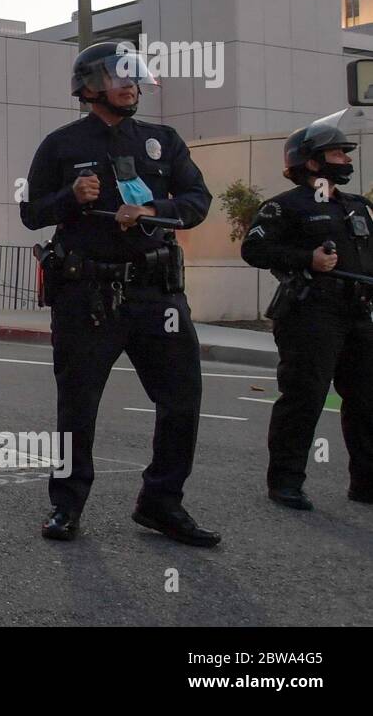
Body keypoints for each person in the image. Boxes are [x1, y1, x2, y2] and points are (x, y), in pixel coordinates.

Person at [20, 41, 220, 547]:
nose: (130, 84)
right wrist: (71, 198)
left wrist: (152, 209)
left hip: (157, 292)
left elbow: (197, 201)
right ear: (88, 87)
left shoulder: (162, 140)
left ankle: (162, 503)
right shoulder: (60, 144)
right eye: (117, 76)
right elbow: (31, 212)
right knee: (78, 405)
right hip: (86, 294)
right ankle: (66, 505)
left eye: (134, 76)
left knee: (181, 399)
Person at [240, 110, 373, 510]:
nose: (347, 160)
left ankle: (365, 483)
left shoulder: (356, 206)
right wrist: (307, 258)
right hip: (311, 312)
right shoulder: (285, 207)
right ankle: (286, 482)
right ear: (311, 161)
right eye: (338, 154)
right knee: (305, 397)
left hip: (358, 311)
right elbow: (254, 249)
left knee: (367, 399)